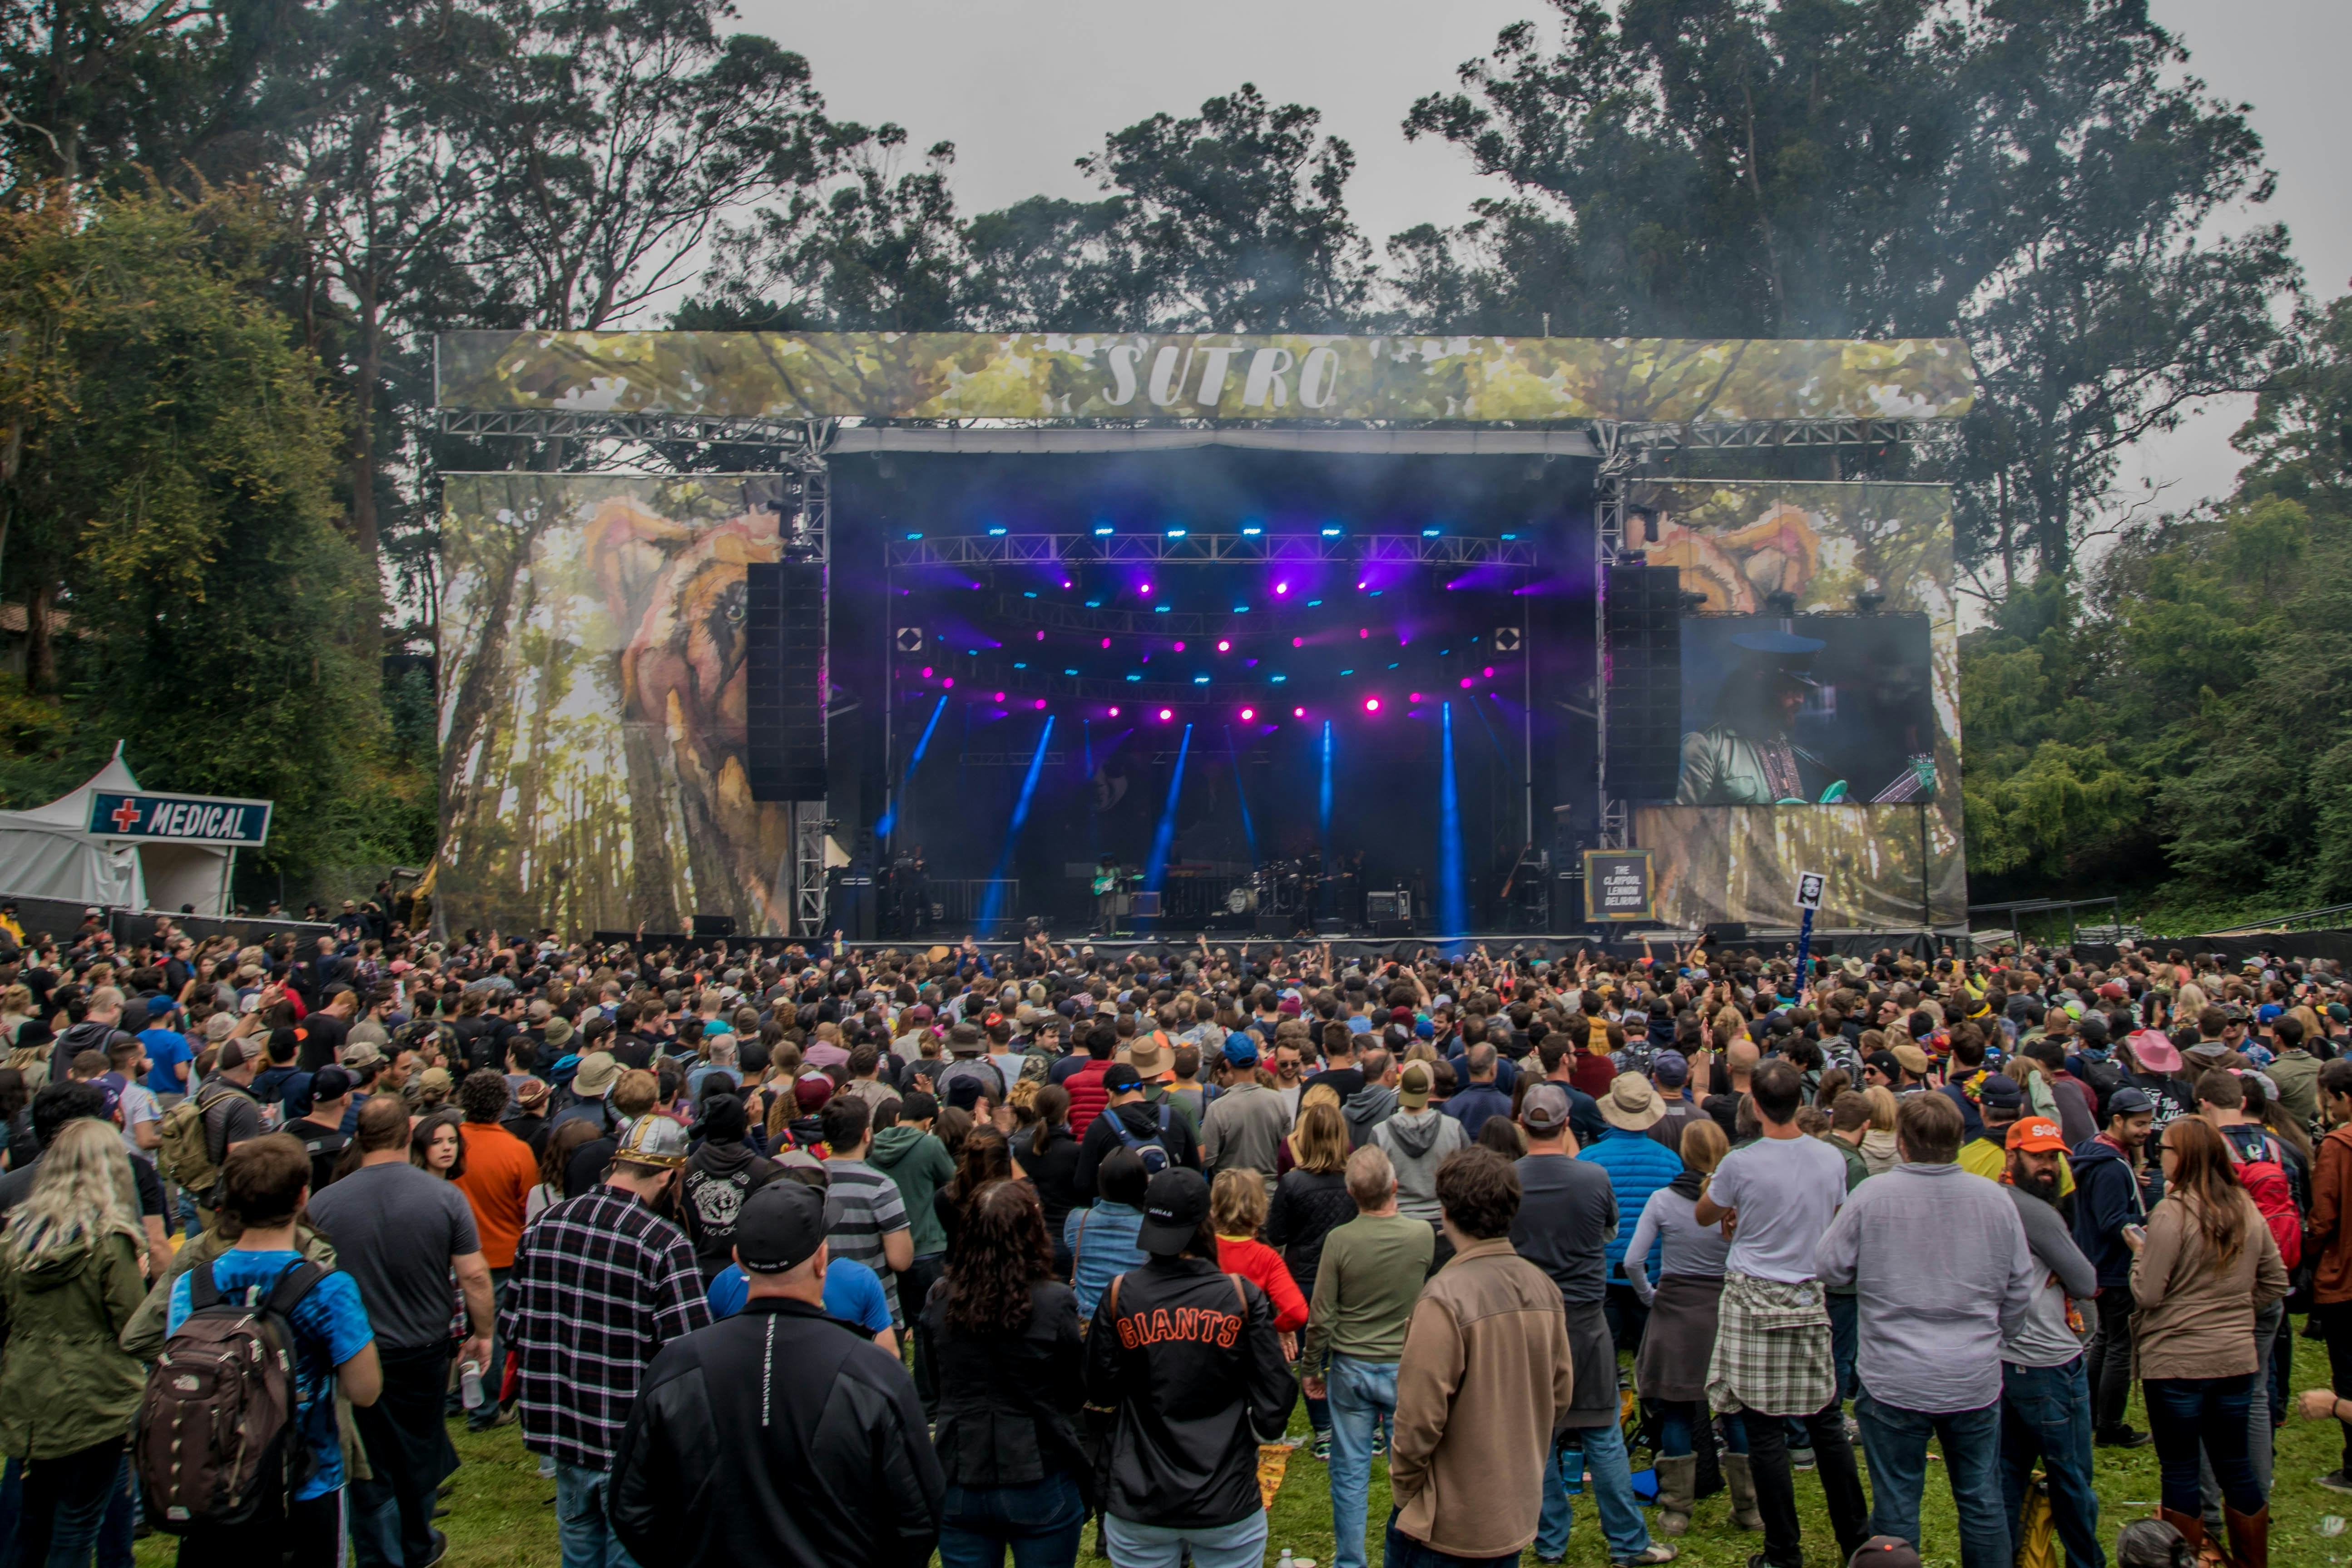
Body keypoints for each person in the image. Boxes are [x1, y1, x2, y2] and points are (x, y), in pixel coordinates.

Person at [607, 1178, 944, 1568]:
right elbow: (918, 1511)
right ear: (822, 1259)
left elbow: (632, 1502)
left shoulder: (678, 1365)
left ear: (738, 1260)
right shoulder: (873, 1373)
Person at [1816, 1091, 2034, 1568]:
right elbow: (2021, 1287)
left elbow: (1829, 1266)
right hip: (1970, 1374)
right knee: (1980, 1497)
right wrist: (1998, 1338)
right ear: (1958, 1140)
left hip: (1895, 1375)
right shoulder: (1994, 1200)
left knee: (1897, 1502)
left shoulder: (1874, 1194)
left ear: (1903, 1142)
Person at [501, 1113, 713, 1568]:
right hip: (630, 1440)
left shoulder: (544, 1226)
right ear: (669, 1175)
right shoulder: (663, 1243)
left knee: (579, 1551)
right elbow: (692, 1356)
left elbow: (512, 1327)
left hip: (566, 1432)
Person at [165, 1134, 382, 1567]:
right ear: (303, 1196)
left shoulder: (192, 1285)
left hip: (215, 1478)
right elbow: (365, 1390)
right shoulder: (327, 1287)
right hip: (306, 1480)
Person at [305, 1094, 496, 1568]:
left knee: (372, 1464)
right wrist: (484, 1333)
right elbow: (473, 1275)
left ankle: (388, 1553)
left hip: (356, 1351)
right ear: (407, 1138)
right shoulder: (445, 1196)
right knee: (420, 1449)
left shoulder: (324, 1203)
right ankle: (416, 1542)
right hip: (425, 1348)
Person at [1694, 1058, 1870, 1568]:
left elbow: (1703, 1213)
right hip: (1807, 1292)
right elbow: (1834, 1215)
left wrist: (1732, 1205)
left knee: (1765, 1429)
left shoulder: (1740, 1163)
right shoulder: (1830, 1158)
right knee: (1826, 1424)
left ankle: (1782, 1553)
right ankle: (1855, 1542)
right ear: (1803, 1102)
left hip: (1755, 1294)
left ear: (1752, 1106)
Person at [1083, 1167, 1297, 1568]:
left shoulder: (1120, 1295)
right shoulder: (1240, 1296)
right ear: (1207, 1222)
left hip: (1140, 1495)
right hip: (1226, 1495)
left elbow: (1101, 1390)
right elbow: (1276, 1398)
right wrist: (1254, 1430)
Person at [1508, 1083, 1672, 1566]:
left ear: (1523, 1124)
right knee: (1601, 1432)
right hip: (1583, 1321)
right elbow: (1608, 1232)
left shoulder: (1509, 1179)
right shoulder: (1592, 1178)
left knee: (1539, 1437)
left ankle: (1551, 1540)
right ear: (1565, 1126)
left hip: (1531, 1323)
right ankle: (1626, 1542)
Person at [1387, 1146, 1573, 1568]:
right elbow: (1559, 1396)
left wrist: (1407, 1490)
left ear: (1447, 1212)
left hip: (1445, 1524)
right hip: (1510, 1513)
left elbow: (1417, 1418)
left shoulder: (1443, 1298)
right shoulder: (1544, 1287)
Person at [2126, 1114, 2287, 1567]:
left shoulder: (2171, 1213)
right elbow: (2275, 1281)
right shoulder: (2245, 1207)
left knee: (2180, 1469)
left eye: (2167, 1151)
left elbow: (2148, 1292)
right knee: (2234, 1466)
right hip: (2232, 1358)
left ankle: (2180, 1562)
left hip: (2175, 1362)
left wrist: (2139, 1257)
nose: (2161, 1158)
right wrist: (2233, 1309)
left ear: (2187, 1157)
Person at [0, 1120, 148, 1568]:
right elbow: (133, 1327)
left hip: (29, 1390)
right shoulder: (109, 1242)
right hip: (95, 1397)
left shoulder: (14, 1239)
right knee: (77, 1524)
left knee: (33, 1519)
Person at [922, 1179, 1089, 1568]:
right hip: (1037, 1475)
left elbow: (932, 1384)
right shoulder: (1053, 1302)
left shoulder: (941, 1300)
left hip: (962, 1474)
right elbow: (1072, 1392)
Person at [1301, 1145, 1433, 1568]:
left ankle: (1350, 1561)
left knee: (1350, 1472)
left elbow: (1321, 1314)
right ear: (1395, 1186)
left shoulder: (1340, 1241)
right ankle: (1411, 1554)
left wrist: (1311, 1366)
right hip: (1402, 1366)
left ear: (1350, 1193)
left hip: (1351, 1366)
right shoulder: (1421, 1235)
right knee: (1412, 1470)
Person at [1624, 1118, 1745, 1538]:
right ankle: (1747, 1506)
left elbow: (1632, 1261)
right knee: (1733, 1409)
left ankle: (1677, 1509)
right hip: (1724, 1307)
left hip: (1675, 1310)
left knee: (1675, 1407)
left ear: (1682, 1152)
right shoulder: (1737, 1201)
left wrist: (1650, 1297)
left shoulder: (1661, 1200)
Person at [1995, 1115, 2106, 1568]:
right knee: (2072, 1479)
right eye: (2038, 1156)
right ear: (2012, 1155)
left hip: (2003, 1362)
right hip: (2047, 1365)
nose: (2049, 1167)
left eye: (2054, 1157)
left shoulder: (1991, 1201)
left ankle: (2002, 1558)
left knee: (2005, 1476)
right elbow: (2084, 1280)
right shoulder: (2036, 1212)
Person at [1265, 1099, 1356, 1458]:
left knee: (1311, 1358)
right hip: (1346, 1274)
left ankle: (1323, 1431)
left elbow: (1277, 1232)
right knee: (1347, 1351)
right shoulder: (1353, 1179)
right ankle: (1358, 1425)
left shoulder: (1292, 1182)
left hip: (1303, 1277)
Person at [450, 1067, 539, 1433]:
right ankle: (485, 1409)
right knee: (493, 1332)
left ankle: (455, 1398)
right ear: (505, 1103)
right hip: (500, 1256)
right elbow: (529, 1208)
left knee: (455, 1327)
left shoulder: (447, 1143)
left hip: (452, 1254)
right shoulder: (517, 1151)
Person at [1584, 1072, 1683, 1360]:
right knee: (1649, 1352)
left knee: (1605, 1354)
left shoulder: (1589, 1159)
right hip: (1652, 1270)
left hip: (1604, 1268)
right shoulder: (1670, 1161)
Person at [678, 1092, 781, 1280]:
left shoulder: (683, 1171)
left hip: (695, 1274)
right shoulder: (763, 1170)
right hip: (746, 1277)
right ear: (743, 1125)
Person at [2309, 1058, 2352, 1491]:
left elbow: (2323, 1217)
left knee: (2350, 1370)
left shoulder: (2338, 1146)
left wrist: (2308, 1254)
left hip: (2345, 1272)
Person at [1370, 1060, 1466, 1232]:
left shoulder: (1380, 1133)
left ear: (1402, 1088)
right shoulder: (1455, 1130)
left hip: (1397, 1225)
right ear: (1432, 1089)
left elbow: (1373, 1186)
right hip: (1445, 1225)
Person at [1065, 1146, 1150, 1317]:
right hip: (1133, 1323)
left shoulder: (1077, 1221)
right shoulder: (1152, 1227)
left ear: (1101, 1181)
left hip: (1088, 1322)